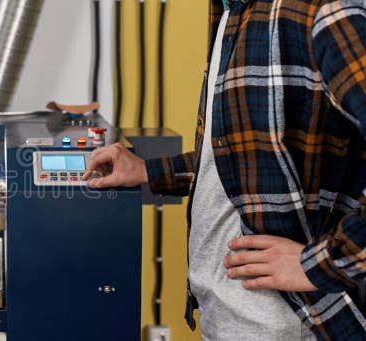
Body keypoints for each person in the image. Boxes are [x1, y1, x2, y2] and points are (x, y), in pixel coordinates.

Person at [83, 0, 366, 339]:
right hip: (225, 314)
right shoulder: (232, 12)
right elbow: (248, 161)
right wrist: (150, 171)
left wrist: (323, 264)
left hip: (287, 324)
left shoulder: (321, 11)